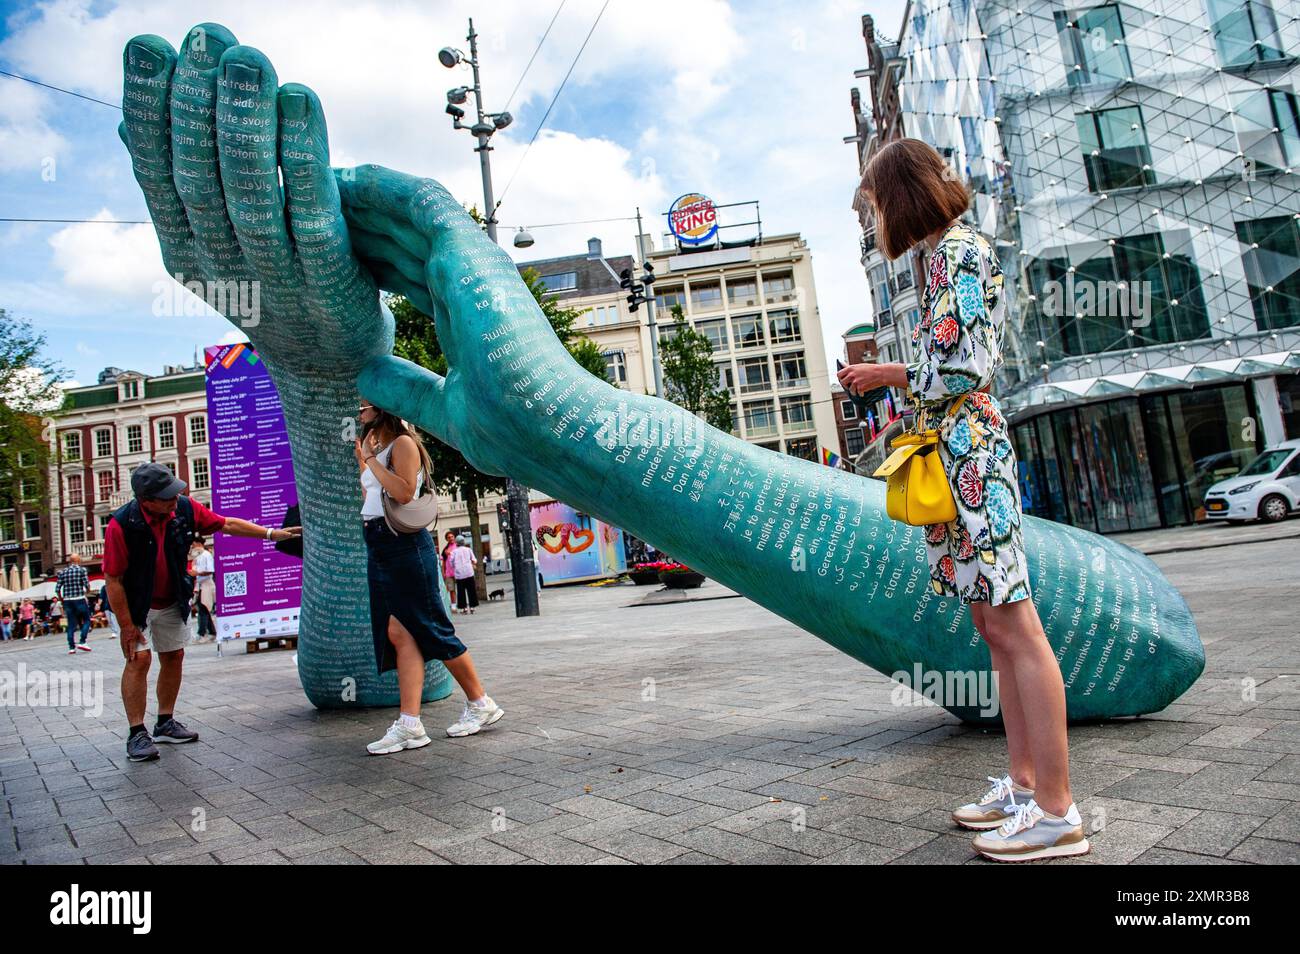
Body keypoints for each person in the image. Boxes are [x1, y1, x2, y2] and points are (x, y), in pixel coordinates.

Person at [840, 138, 1085, 863]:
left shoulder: (957, 254)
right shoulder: (952, 250)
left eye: (878, 205)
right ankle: (1023, 785)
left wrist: (886, 373)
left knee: (1014, 624)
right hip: (960, 455)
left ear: (902, 195)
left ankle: (1058, 811)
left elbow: (960, 364)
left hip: (969, 452)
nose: (877, 220)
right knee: (995, 622)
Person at [105, 462, 300, 763]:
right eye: (167, 496)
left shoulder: (182, 508)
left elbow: (226, 524)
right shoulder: (122, 524)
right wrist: (127, 625)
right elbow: (113, 580)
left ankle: (165, 722)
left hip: (171, 596)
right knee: (139, 658)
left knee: (173, 655)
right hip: (134, 603)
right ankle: (136, 733)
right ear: (146, 501)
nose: (175, 499)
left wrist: (272, 534)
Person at [355, 400, 503, 753]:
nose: (357, 412)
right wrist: (365, 458)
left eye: (362, 406)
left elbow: (404, 492)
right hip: (378, 541)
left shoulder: (403, 444)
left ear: (382, 406)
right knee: (398, 631)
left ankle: (481, 703)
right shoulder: (374, 443)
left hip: (404, 544)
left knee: (431, 625)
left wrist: (372, 460)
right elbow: (372, 494)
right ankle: (410, 724)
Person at [56, 553, 94, 654]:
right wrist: (88, 591)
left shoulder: (63, 572)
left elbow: (57, 589)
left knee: (71, 624)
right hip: (79, 598)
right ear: (78, 561)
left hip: (68, 600)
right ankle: (82, 641)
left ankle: (71, 647)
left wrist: (62, 599)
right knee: (86, 620)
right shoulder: (81, 570)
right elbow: (86, 583)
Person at [190, 537, 217, 641]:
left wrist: (197, 573)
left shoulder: (206, 555)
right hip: (200, 585)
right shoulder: (197, 557)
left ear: (198, 543)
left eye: (193, 544)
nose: (192, 547)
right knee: (204, 608)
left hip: (207, 584)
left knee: (204, 609)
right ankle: (212, 632)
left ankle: (202, 633)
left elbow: (210, 570)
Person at [450, 534, 479, 615]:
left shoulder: (454, 552)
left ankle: (464, 608)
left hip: (459, 574)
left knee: (461, 591)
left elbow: (451, 563)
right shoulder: (468, 549)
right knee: (471, 590)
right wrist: (473, 563)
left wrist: (455, 566)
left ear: (456, 543)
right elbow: (474, 559)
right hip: (469, 572)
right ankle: (472, 607)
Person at [440, 530, 459, 612]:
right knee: (451, 589)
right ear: (446, 539)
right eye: (449, 537)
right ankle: (453, 606)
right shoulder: (445, 549)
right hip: (449, 572)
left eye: (452, 536)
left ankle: (462, 605)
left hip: (458, 571)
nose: (451, 538)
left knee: (460, 589)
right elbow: (443, 562)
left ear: (454, 537)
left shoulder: (458, 546)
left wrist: (450, 554)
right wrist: (443, 572)